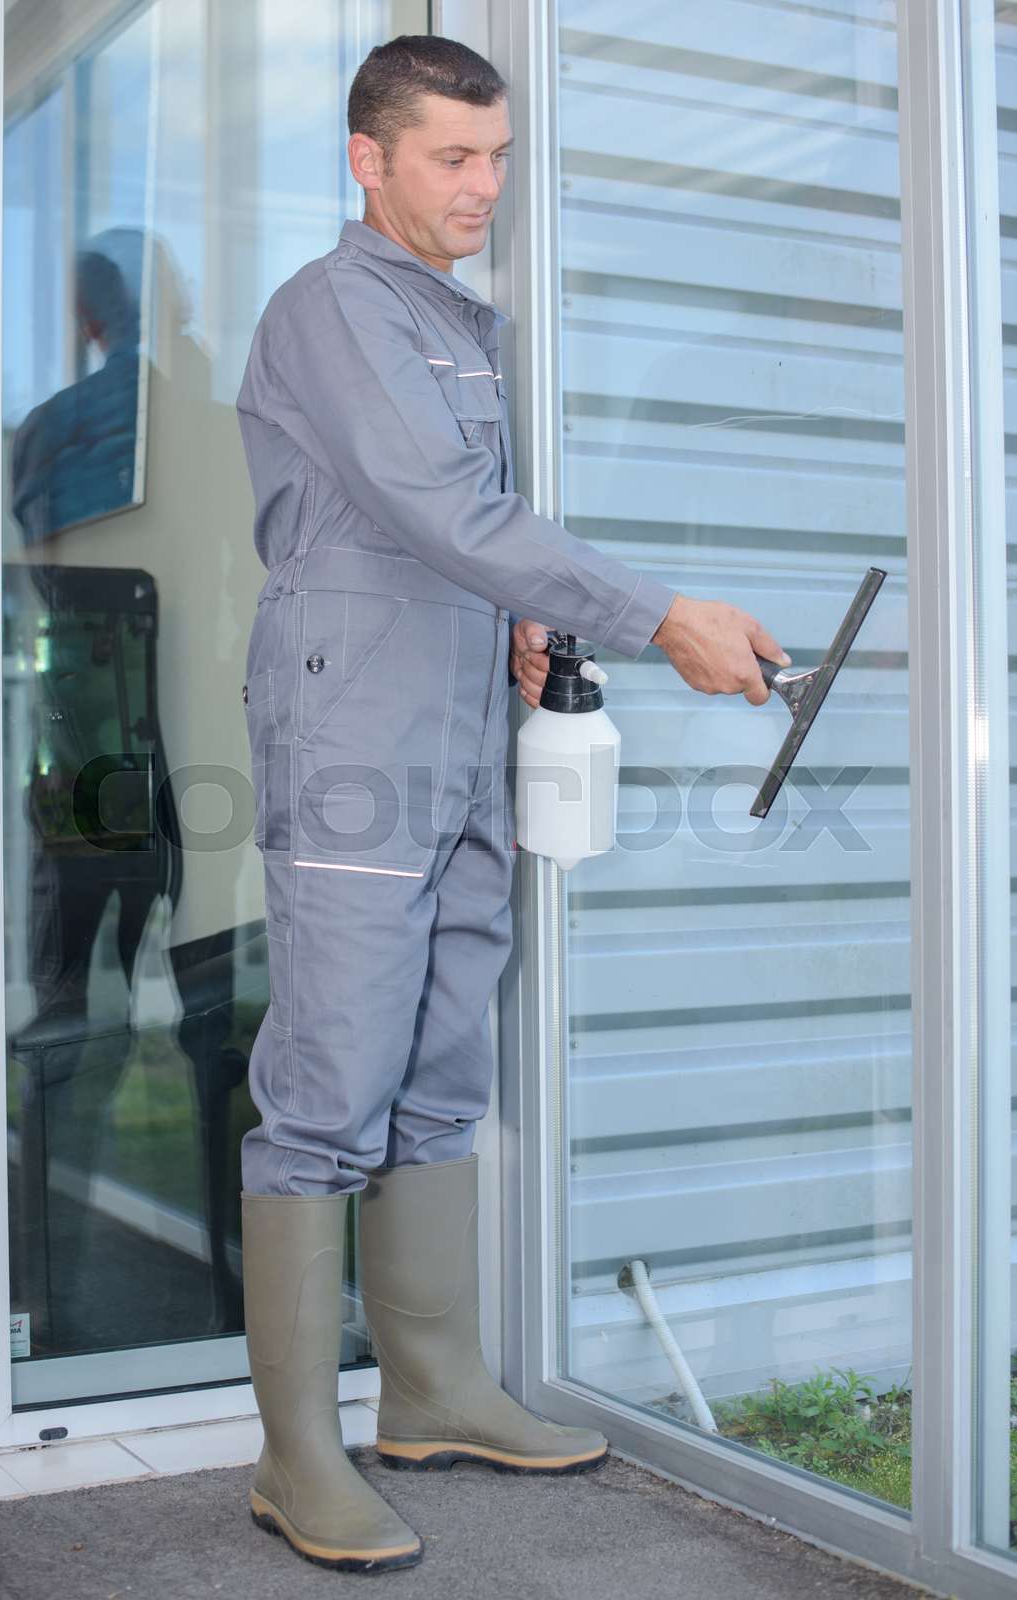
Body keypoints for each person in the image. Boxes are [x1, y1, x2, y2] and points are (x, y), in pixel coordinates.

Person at [235, 34, 788, 1575]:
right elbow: (443, 510)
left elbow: (472, 542)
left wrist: (534, 622)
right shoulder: (335, 308)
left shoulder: (457, 326)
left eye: (495, 157)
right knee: (331, 1074)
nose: (485, 187)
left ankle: (432, 1388)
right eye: (451, 159)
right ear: (370, 159)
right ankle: (295, 1460)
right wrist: (652, 610)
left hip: (469, 715)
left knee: (443, 1048)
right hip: (354, 718)